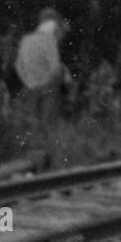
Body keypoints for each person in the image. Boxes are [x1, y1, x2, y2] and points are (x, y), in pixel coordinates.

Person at [14, 9, 74, 161]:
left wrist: (28, 80)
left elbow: (19, 65)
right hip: (48, 87)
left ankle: (31, 155)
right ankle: (49, 157)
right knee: (47, 123)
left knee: (32, 121)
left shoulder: (26, 39)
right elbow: (54, 68)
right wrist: (65, 81)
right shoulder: (49, 41)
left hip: (30, 86)